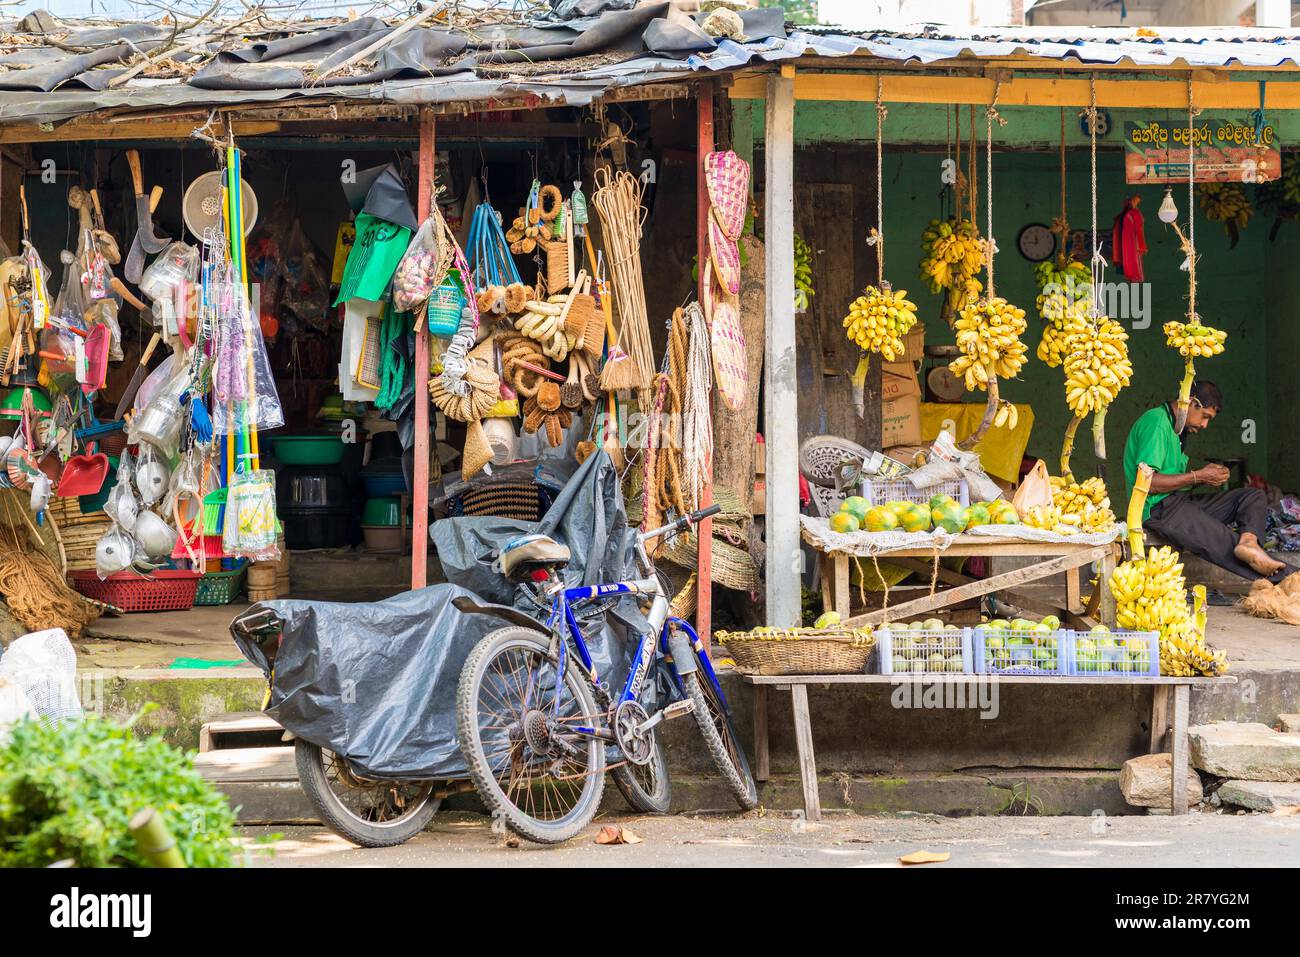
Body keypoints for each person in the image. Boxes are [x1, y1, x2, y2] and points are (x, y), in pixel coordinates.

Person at [1122, 380, 1286, 581]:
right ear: (1192, 402)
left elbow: (1173, 477)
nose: (1205, 424)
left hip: (1178, 502)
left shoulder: (1176, 430)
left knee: (1252, 497)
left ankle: (1250, 543)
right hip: (1157, 510)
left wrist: (1204, 478)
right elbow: (1149, 483)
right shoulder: (1157, 422)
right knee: (1225, 543)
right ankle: (1291, 578)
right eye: (1205, 416)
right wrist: (1198, 476)